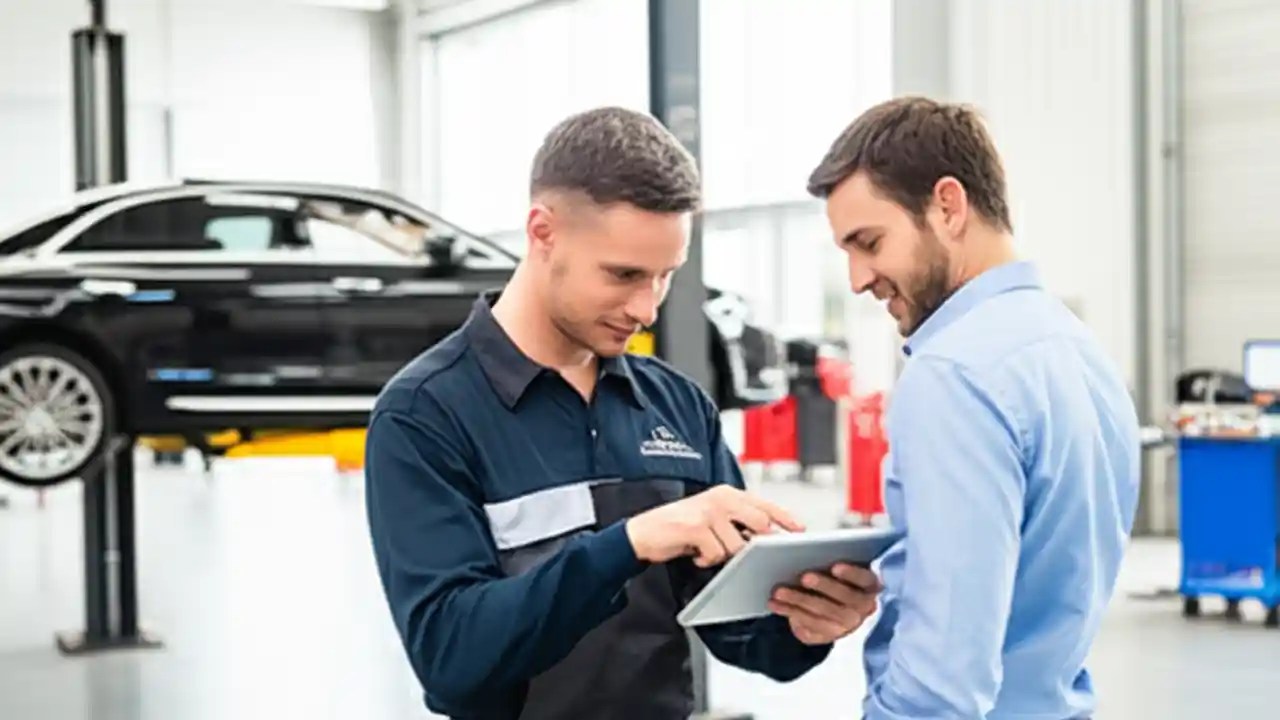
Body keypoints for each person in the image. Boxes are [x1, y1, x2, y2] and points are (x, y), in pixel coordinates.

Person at [364, 106, 880, 720]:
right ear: (542, 232)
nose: (647, 307)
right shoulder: (424, 416)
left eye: (665, 276)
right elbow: (453, 660)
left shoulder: (678, 406)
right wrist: (631, 542)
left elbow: (735, 628)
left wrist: (806, 624)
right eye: (624, 274)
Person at [805, 95, 1141, 719]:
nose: (857, 278)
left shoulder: (954, 374)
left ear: (948, 206)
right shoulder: (1076, 351)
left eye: (869, 242)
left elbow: (943, 679)